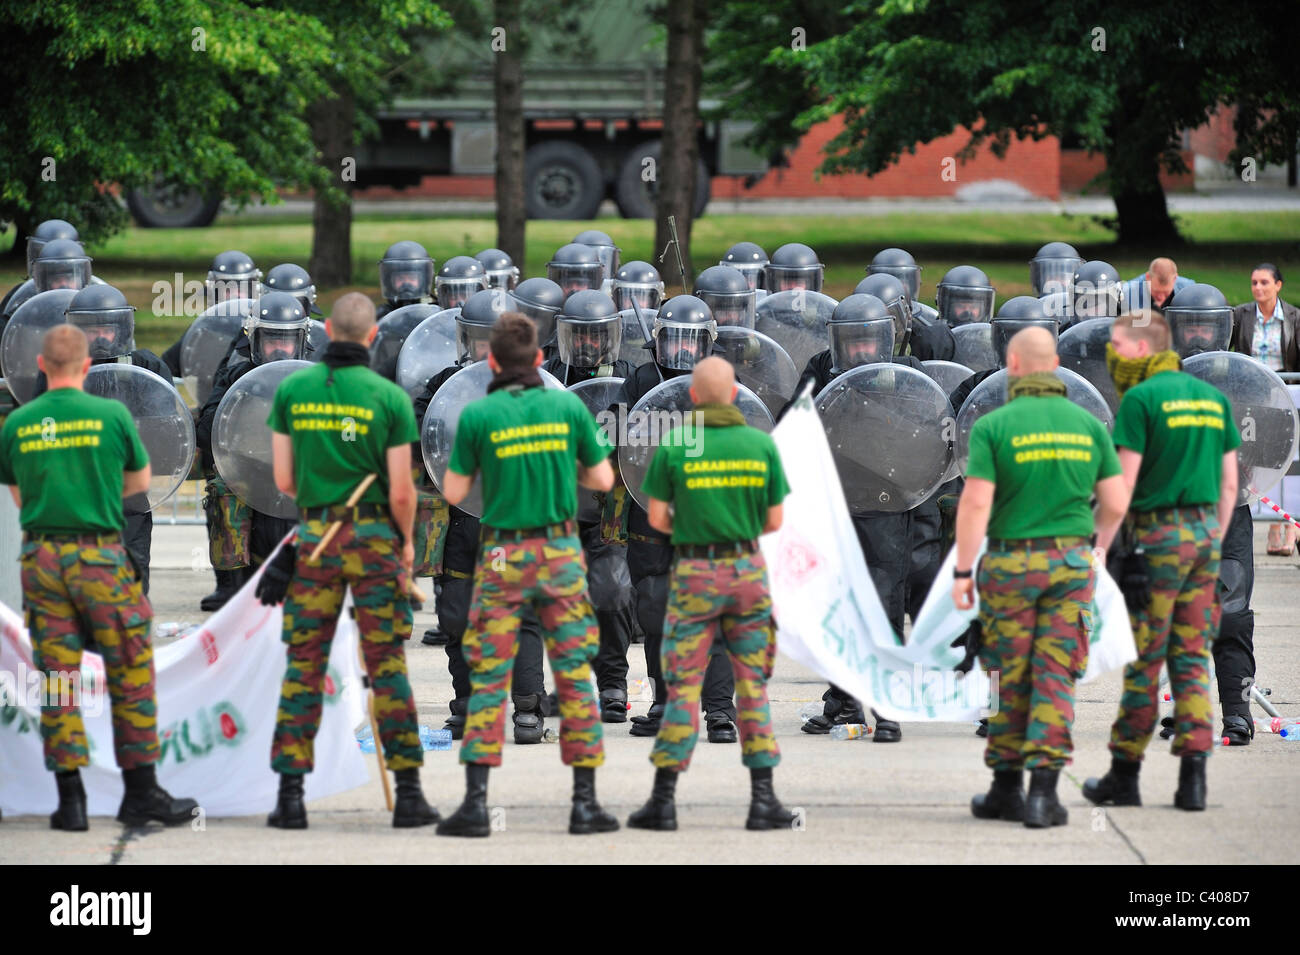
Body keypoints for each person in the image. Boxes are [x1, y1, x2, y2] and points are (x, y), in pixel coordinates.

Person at [0, 325, 198, 831]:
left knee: (58, 679)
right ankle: (141, 792)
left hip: (42, 559)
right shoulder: (110, 414)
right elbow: (136, 483)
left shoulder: (17, 423)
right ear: (87, 367)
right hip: (99, 557)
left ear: (42, 367)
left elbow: (20, 498)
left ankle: (71, 803)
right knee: (130, 668)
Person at [436, 311, 618, 837]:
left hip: (501, 557)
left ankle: (475, 805)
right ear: (540, 359)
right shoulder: (566, 406)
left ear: (492, 361)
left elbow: (453, 492)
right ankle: (584, 803)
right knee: (573, 672)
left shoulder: (479, 415)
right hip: (559, 550)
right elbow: (603, 476)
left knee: (490, 673)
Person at [262, 292, 438, 829]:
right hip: (375, 540)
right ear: (371, 338)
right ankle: (408, 793)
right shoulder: (387, 397)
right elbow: (404, 491)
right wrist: (405, 543)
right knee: (386, 666)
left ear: (324, 333)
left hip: (315, 539)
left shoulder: (292, 390)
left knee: (305, 666)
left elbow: (285, 481)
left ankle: (290, 798)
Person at [953, 326, 1128, 828]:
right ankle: (1043, 794)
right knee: (1054, 675)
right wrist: (1094, 549)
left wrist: (964, 570)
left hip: (1008, 567)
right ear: (1055, 368)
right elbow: (1115, 503)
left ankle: (1005, 789)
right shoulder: (1089, 425)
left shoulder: (995, 425)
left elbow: (976, 503)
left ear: (1012, 365)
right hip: (1069, 567)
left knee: (1008, 674)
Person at [627, 356, 795, 831]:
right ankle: (764, 802)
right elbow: (775, 521)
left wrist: (695, 525)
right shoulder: (759, 445)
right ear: (736, 396)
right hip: (746, 573)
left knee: (681, 685)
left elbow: (658, 519)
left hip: (695, 572)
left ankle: (663, 802)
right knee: (752, 686)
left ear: (694, 397)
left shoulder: (679, 441)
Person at [1082, 310, 1239, 811]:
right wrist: (1210, 534)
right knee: (1192, 658)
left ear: (1143, 348)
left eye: (1119, 346)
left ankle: (1124, 776)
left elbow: (1122, 488)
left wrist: (1099, 546)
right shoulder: (1215, 401)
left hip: (1153, 542)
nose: (1113, 355)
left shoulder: (1140, 400)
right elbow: (1231, 483)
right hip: (1202, 542)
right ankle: (1194, 778)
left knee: (1146, 662)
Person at [792, 294, 934, 742]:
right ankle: (843, 703)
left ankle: (887, 707)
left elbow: (929, 430)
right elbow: (791, 425)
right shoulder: (821, 367)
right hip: (834, 502)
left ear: (885, 340)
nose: (858, 351)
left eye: (866, 342)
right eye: (850, 343)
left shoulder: (908, 372)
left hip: (887, 502)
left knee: (885, 604)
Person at [614, 295, 740, 743]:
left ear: (709, 343)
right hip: (652, 510)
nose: (683, 352)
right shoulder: (640, 381)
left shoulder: (724, 385)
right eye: (674, 341)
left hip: (708, 516)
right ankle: (667, 701)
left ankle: (720, 710)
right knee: (655, 611)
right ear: (657, 341)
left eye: (693, 342)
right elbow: (616, 438)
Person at [36, 285, 173, 595]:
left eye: (106, 329)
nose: (99, 337)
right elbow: (40, 429)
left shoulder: (144, 367)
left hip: (128, 495)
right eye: (90, 329)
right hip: (71, 495)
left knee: (132, 583)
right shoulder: (53, 372)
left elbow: (167, 435)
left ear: (121, 328)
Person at [195, 292, 309, 609]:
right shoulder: (234, 377)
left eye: (287, 339)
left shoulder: (317, 381)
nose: (280, 348)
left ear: (302, 339)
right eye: (271, 339)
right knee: (254, 593)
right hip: (252, 488)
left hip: (302, 492)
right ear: (254, 339)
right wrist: (244, 393)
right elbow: (206, 432)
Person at [1232, 263, 1299, 553]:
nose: (1258, 288)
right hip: (1253, 397)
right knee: (1259, 460)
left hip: (1286, 394)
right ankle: (1267, 519)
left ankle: (1281, 528)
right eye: (1254, 283)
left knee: (1285, 460)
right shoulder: (1241, 314)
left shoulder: (1295, 317)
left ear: (1278, 286)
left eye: (1264, 283)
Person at [376, 241, 435, 320]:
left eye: (412, 278)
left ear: (423, 281)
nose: (406, 283)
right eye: (400, 278)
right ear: (389, 282)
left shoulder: (433, 315)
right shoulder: (383, 317)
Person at [1125, 257, 1194, 312]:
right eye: (1156, 291)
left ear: (1175, 279)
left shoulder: (1189, 291)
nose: (1161, 297)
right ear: (1148, 277)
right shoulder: (1127, 292)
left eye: (1165, 292)